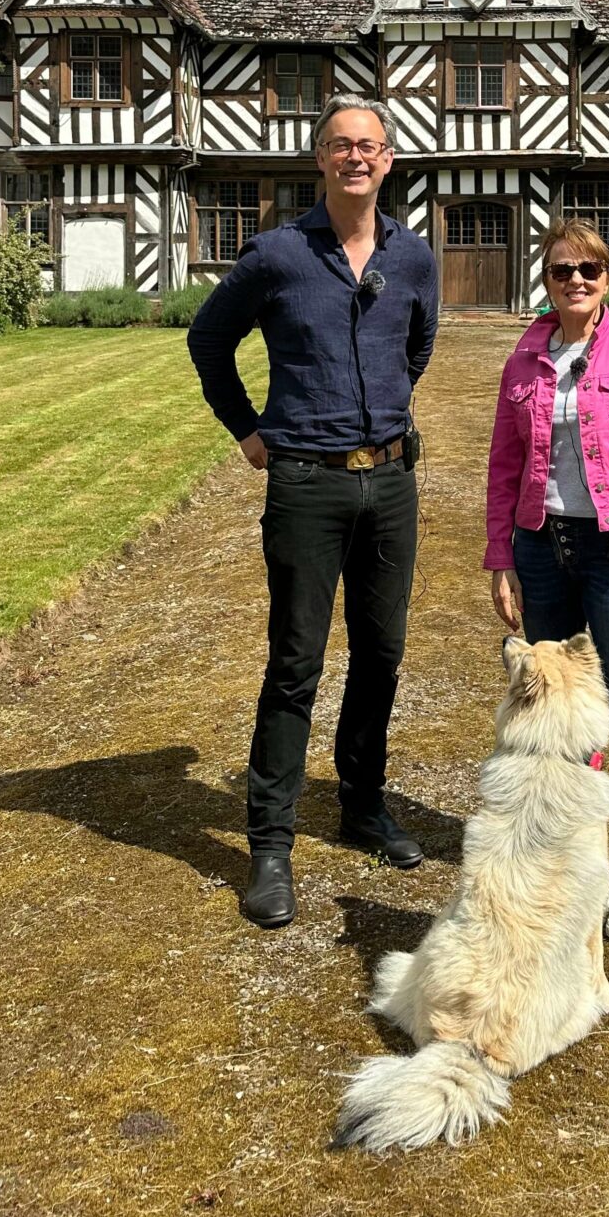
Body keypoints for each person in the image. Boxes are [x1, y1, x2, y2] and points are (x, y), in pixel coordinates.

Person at [187, 95, 439, 930]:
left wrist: (385, 417)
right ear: (320, 160)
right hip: (305, 482)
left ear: (389, 159)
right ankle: (269, 843)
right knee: (295, 661)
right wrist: (250, 433)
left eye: (368, 145)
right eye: (340, 145)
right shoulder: (278, 255)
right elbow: (207, 341)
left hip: (392, 482)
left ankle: (362, 806)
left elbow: (417, 347)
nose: (355, 157)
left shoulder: (414, 258)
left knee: (382, 653)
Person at [485, 217, 609, 945]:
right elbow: (503, 467)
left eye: (589, 270)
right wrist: (500, 557)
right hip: (542, 545)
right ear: (545, 282)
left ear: (607, 279)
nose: (575, 281)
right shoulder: (524, 361)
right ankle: (567, 856)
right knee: (556, 715)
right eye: (561, 270)